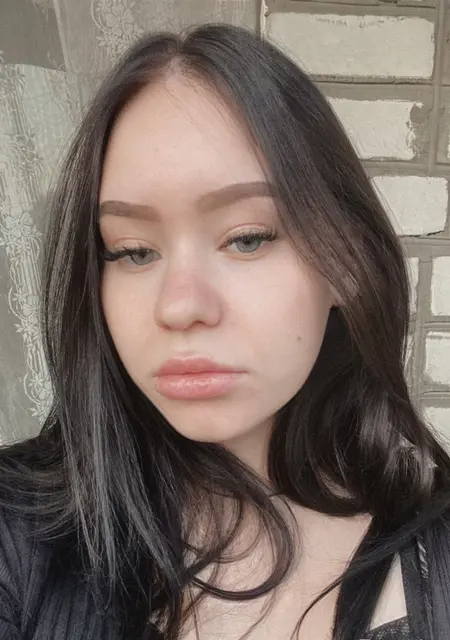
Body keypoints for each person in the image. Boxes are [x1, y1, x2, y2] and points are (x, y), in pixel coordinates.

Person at [0, 22, 449, 640]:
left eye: (247, 238)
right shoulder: (18, 532)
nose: (180, 306)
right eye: (133, 250)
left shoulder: (434, 557)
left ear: (345, 262)